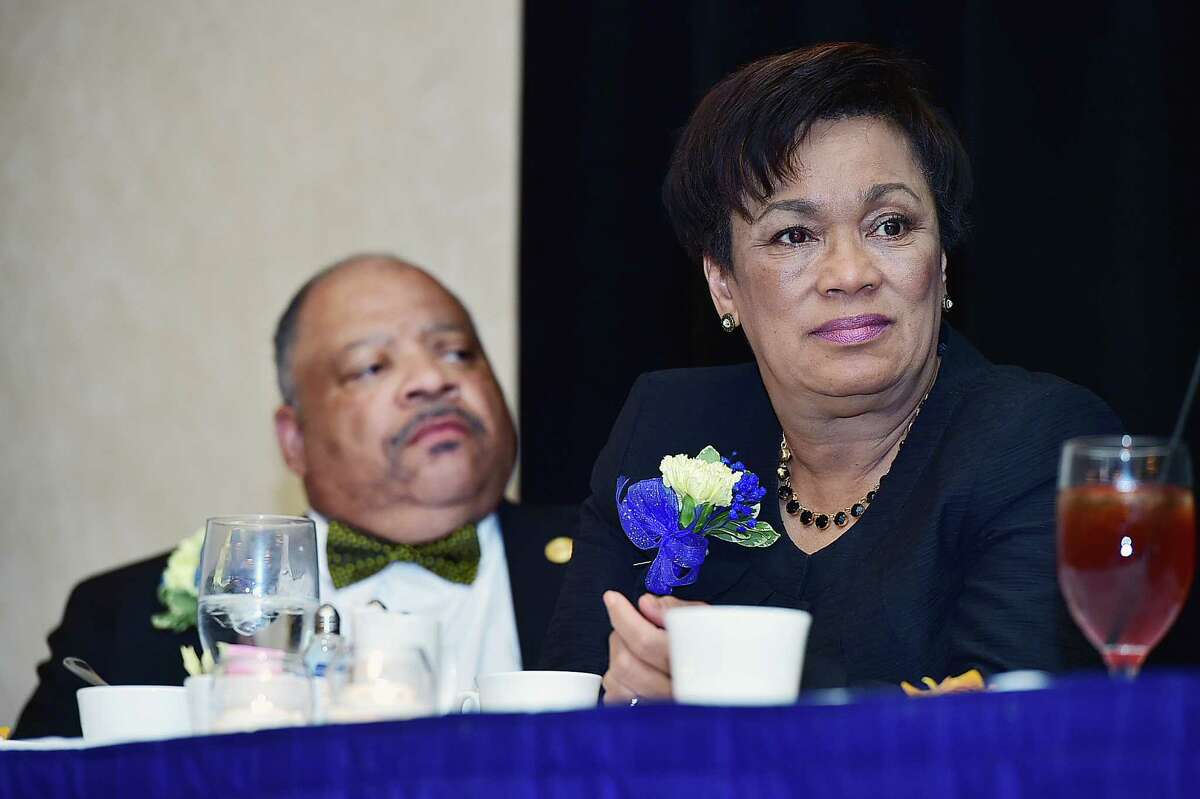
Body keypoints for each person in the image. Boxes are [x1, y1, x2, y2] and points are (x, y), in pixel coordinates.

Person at [539, 43, 1121, 703]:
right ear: (723, 282)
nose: (851, 273)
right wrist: (620, 701)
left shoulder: (1035, 440)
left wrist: (748, 684)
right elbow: (561, 696)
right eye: (795, 235)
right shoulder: (668, 423)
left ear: (943, 261)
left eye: (891, 225)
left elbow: (1014, 724)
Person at [14, 254, 575, 737]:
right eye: (371, 366)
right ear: (295, 438)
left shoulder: (621, 568)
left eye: (457, 353)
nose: (431, 379)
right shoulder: (122, 619)